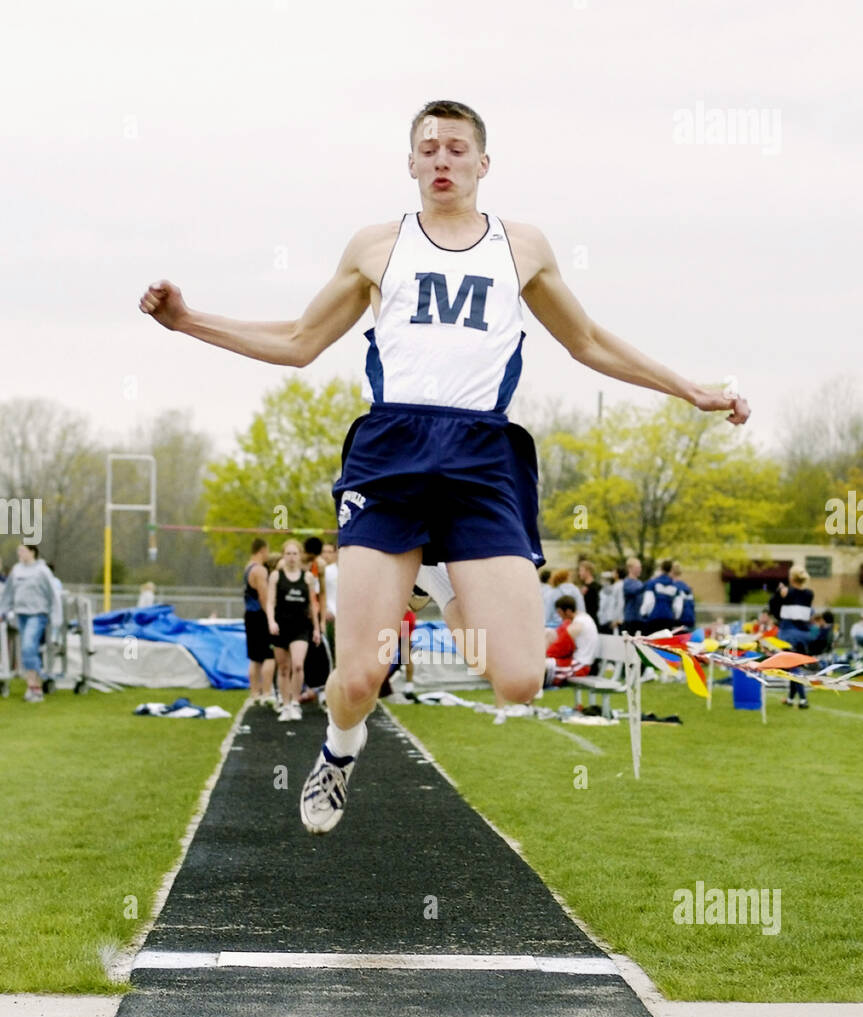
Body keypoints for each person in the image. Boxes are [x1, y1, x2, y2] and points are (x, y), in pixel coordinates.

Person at [139, 98, 750, 834]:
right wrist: (187, 320)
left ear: (482, 164)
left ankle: (433, 578)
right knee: (359, 676)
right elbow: (300, 340)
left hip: (481, 457)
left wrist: (688, 389)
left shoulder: (521, 246)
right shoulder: (375, 246)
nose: (441, 160)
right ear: (409, 163)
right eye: (427, 148)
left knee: (520, 682)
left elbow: (586, 340)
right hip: (390, 455)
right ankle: (339, 748)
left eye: (456, 148)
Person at [0, 543, 63, 702]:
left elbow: (53, 594)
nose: (19, 553)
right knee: (27, 651)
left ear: (32, 552)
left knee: (28, 646)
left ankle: (35, 688)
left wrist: (56, 618)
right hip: (21, 615)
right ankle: (33, 687)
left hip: (38, 614)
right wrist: (3, 611)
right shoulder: (17, 570)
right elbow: (8, 593)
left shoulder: (42, 571)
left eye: (22, 550)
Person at [266, 539, 321, 721]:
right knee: (283, 668)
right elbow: (270, 602)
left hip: (301, 628)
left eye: (294, 553)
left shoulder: (308, 577)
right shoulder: (276, 576)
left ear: (300, 556)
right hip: (281, 626)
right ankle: (285, 704)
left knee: (297, 665)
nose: (291, 557)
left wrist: (316, 628)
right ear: (283, 556)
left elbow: (313, 605)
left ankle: (295, 702)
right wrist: (271, 621)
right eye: (288, 554)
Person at [769, 566, 814, 708]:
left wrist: (779, 593)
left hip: (789, 633)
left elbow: (773, 607)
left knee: (792, 667)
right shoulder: (809, 594)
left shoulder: (787, 592)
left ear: (791, 578)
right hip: (804, 634)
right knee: (794, 666)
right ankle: (790, 698)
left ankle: (803, 699)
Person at [242, 538, 275, 705]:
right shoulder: (260, 570)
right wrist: (270, 617)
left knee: (254, 657)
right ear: (263, 550)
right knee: (269, 655)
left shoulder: (248, 567)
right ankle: (267, 692)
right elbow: (263, 596)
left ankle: (254, 693)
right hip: (260, 615)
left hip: (249, 614)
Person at [639, 558, 683, 635]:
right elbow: (678, 607)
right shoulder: (675, 586)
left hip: (654, 619)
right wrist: (675, 617)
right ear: (670, 570)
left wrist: (644, 613)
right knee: (664, 644)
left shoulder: (652, 584)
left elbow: (648, 602)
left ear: (661, 568)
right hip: (668, 620)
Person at [622, 556, 645, 635]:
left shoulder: (640, 582)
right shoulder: (627, 582)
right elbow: (633, 591)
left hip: (640, 618)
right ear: (630, 568)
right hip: (630, 619)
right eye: (637, 567)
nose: (640, 569)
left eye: (640, 567)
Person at [597, 568, 623, 634]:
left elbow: (619, 603)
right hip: (605, 619)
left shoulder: (619, 586)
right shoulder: (609, 588)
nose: (604, 582)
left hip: (611, 620)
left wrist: (617, 620)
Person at [670, 561, 695, 630]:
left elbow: (678, 607)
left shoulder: (674, 586)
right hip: (690, 620)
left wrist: (675, 619)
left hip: (679, 621)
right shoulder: (686, 587)